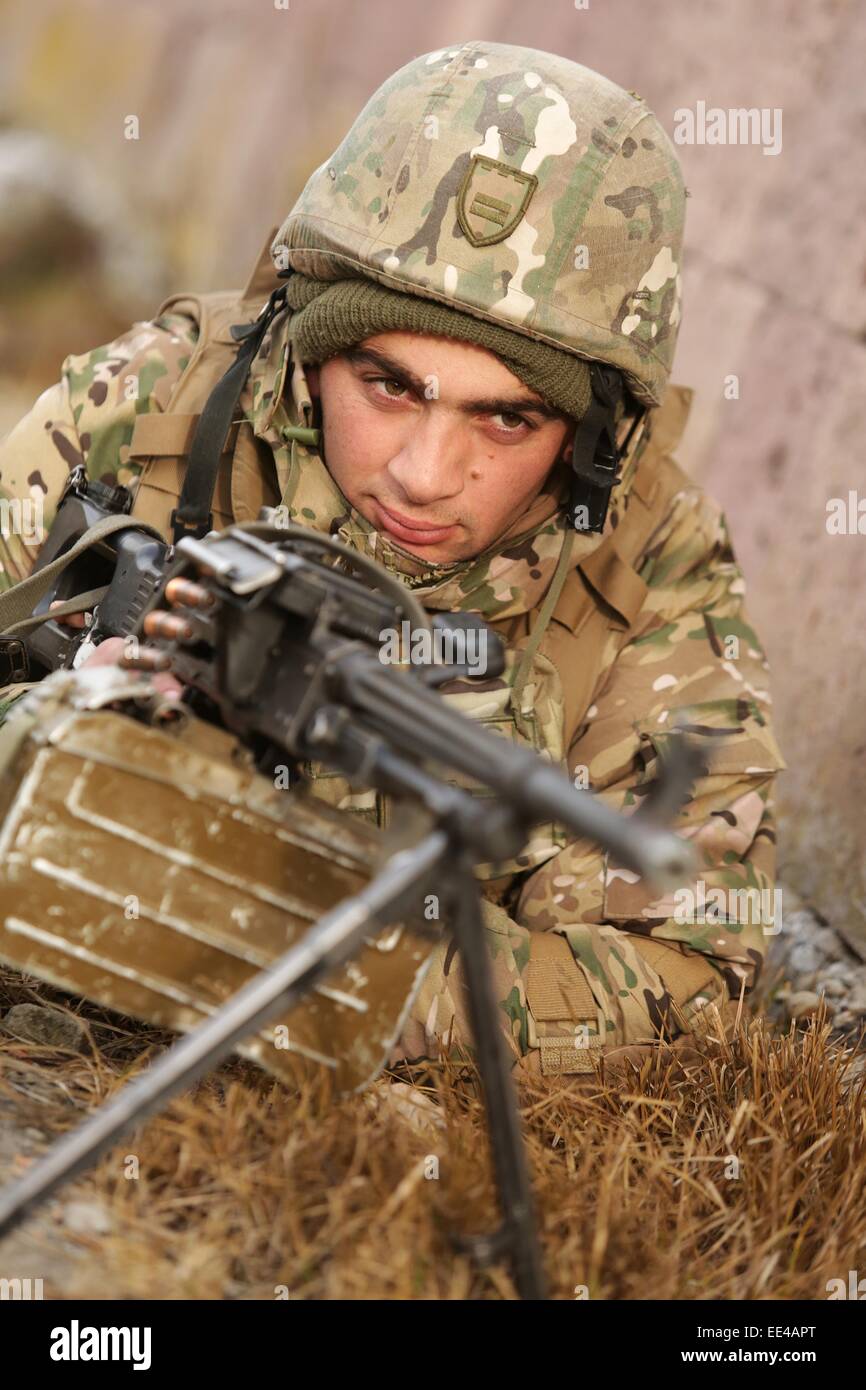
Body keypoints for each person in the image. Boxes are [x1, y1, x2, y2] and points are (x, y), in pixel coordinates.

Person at [0, 41, 785, 1084]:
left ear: (589, 436)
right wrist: (43, 745)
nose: (423, 474)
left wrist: (335, 955)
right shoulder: (147, 409)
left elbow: (689, 981)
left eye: (506, 417)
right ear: (312, 344)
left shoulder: (649, 566)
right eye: (388, 386)